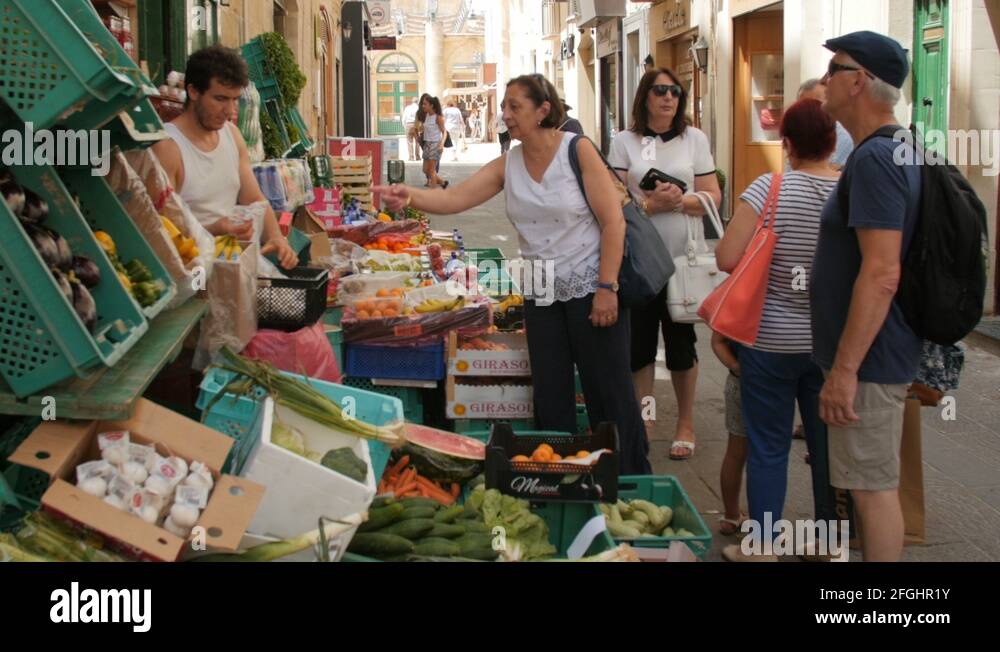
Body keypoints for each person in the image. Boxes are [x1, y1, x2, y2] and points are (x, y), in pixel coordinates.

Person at [374, 74, 651, 474]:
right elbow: (455, 198)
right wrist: (410, 195)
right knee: (552, 399)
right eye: (504, 107)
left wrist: (607, 288)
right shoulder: (510, 164)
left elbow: (614, 223)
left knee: (609, 394)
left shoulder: (578, 150)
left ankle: (629, 481)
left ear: (542, 110)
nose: (505, 115)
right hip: (540, 296)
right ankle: (563, 481)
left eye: (514, 106)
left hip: (590, 289)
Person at [810, 31, 921, 562]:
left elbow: (881, 273)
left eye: (834, 68)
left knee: (871, 491)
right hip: (878, 354)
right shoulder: (892, 149)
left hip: (870, 360)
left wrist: (845, 370)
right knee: (866, 485)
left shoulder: (877, 159)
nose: (825, 80)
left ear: (858, 82)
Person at [713, 98, 840, 562]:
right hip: (829, 345)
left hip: (768, 340)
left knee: (768, 446)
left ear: (786, 143)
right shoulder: (849, 191)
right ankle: (828, 541)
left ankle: (763, 543)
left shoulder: (770, 188)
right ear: (832, 142)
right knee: (827, 449)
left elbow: (726, 257)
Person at [608, 67, 722, 461]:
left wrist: (679, 200)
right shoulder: (625, 141)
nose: (668, 97)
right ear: (645, 96)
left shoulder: (695, 140)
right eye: (660, 90)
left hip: (682, 260)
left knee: (680, 346)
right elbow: (614, 197)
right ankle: (645, 416)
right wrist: (650, 204)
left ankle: (685, 423)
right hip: (639, 259)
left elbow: (712, 196)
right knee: (639, 347)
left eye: (675, 91)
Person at [153, 45, 297, 270]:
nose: (230, 110)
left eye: (235, 99)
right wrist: (214, 229)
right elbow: (159, 231)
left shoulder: (232, 136)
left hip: (231, 266)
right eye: (220, 99)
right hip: (192, 276)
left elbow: (254, 197)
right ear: (193, 92)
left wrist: (275, 236)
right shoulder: (168, 147)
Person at [712, 331, 748, 537]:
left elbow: (717, 342)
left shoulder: (740, 297)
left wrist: (735, 367)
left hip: (743, 376)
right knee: (768, 456)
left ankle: (731, 516)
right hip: (787, 367)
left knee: (735, 451)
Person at [797, 78, 854, 168]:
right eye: (801, 106)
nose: (806, 111)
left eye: (814, 105)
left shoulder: (843, 137)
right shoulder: (798, 135)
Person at [416, 94, 448, 188]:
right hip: (427, 144)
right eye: (423, 104)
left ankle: (433, 194)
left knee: (431, 171)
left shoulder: (438, 117)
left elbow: (444, 132)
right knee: (425, 170)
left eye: (425, 104)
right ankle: (442, 182)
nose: (423, 106)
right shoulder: (426, 116)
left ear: (431, 105)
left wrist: (441, 144)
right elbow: (423, 127)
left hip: (435, 144)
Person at [403, 97, 421, 162]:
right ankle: (418, 157)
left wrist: (405, 126)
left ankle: (411, 157)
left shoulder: (407, 108)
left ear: (412, 101)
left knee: (409, 141)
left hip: (408, 125)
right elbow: (421, 118)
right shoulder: (419, 108)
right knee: (417, 142)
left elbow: (404, 118)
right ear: (417, 102)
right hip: (416, 125)